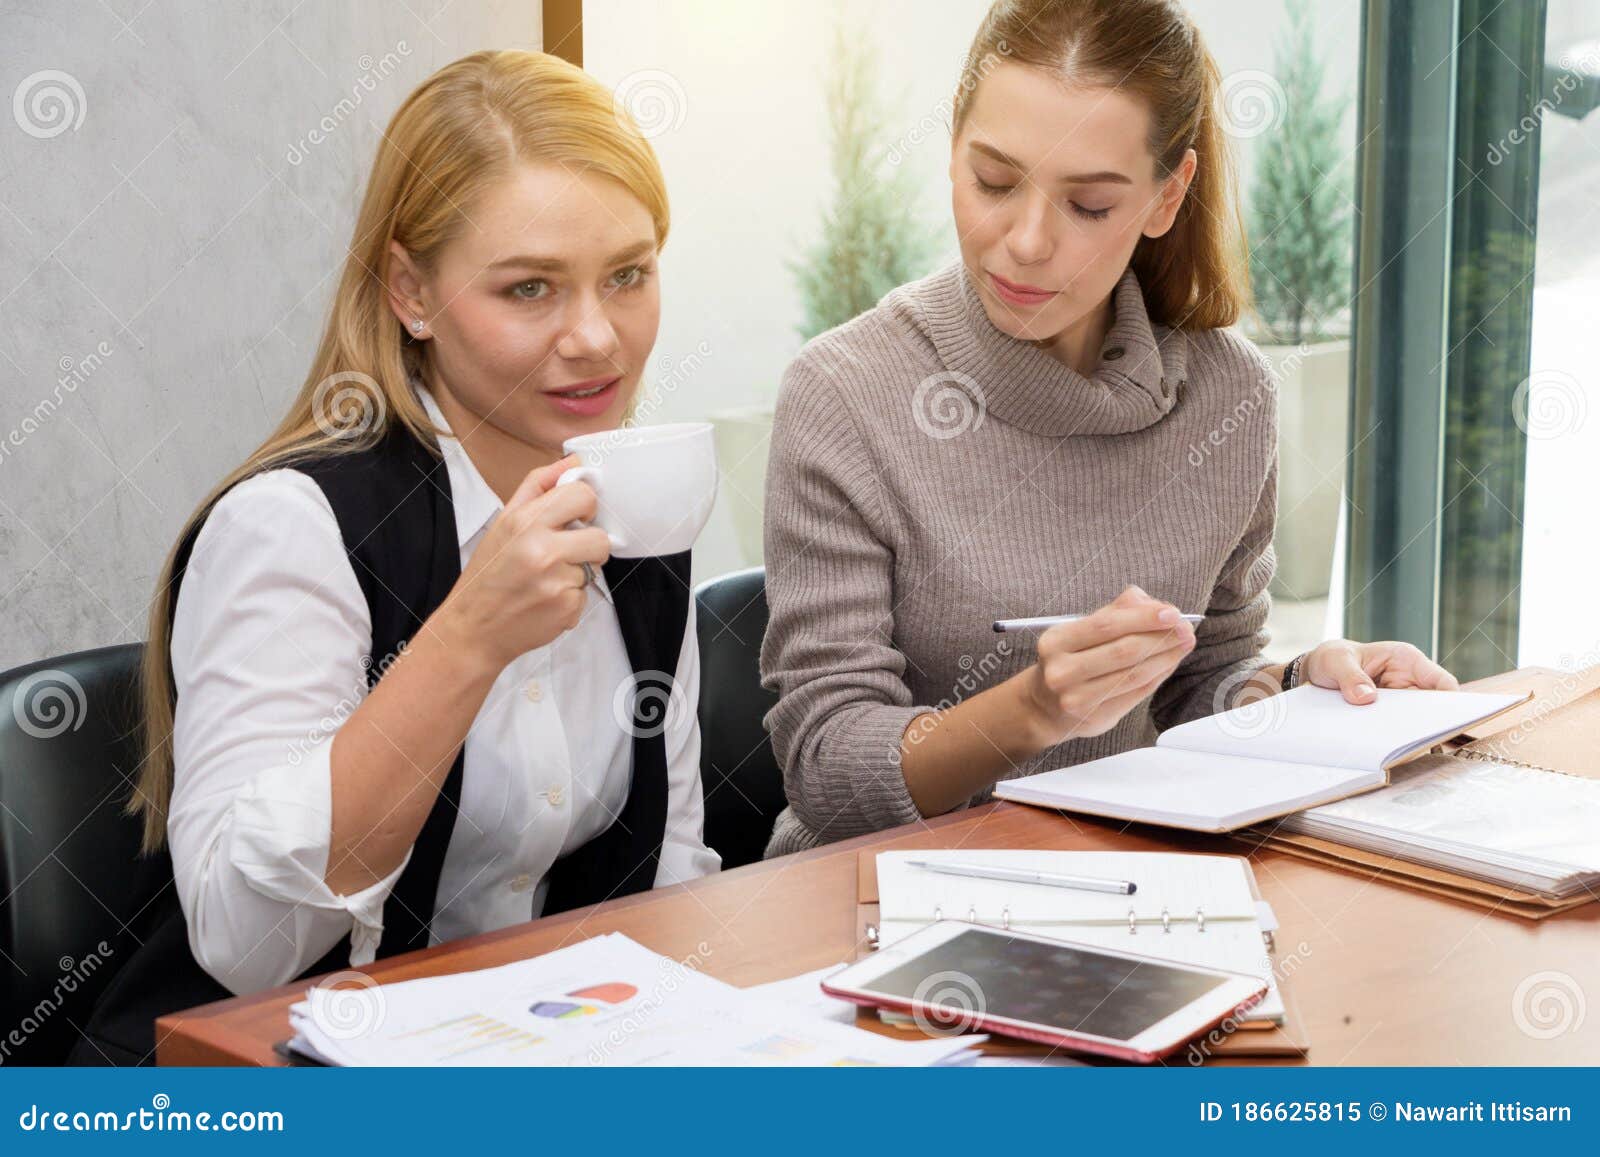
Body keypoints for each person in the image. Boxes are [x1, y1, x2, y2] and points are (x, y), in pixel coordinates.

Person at [74, 50, 718, 1065]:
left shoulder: (634, 502)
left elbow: (666, 871)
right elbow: (246, 945)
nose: (598, 337)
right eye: (530, 288)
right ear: (412, 290)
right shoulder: (294, 524)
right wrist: (465, 642)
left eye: (628, 275)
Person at [759, 0, 1458, 858]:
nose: (1026, 241)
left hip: (1123, 876)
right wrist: (1029, 710)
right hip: (873, 891)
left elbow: (1204, 681)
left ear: (1167, 196)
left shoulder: (1228, 394)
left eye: (1089, 204)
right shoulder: (844, 393)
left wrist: (1302, 687)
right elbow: (825, 772)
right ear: (952, 151)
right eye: (993, 181)